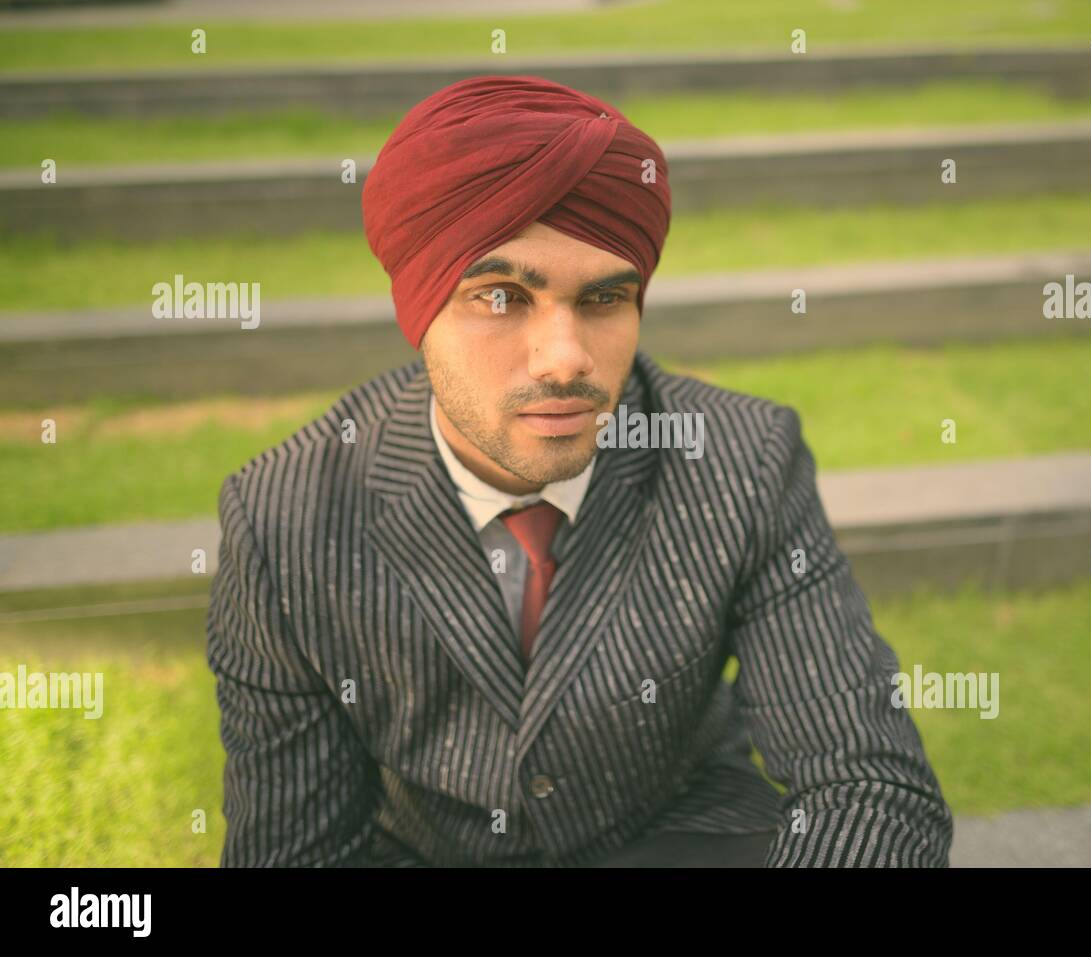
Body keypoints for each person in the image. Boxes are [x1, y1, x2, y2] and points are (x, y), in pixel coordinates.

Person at [205, 75, 953, 867]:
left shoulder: (741, 459)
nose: (565, 360)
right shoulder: (286, 516)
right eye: (501, 298)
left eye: (603, 298)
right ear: (419, 309)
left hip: (680, 836)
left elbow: (868, 786)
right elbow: (296, 851)